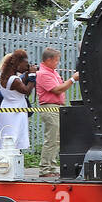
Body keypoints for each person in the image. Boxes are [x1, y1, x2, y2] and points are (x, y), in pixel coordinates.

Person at [35, 47, 77, 178]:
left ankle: (51, 167)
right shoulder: (44, 74)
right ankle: (45, 168)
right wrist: (73, 80)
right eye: (56, 60)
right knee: (51, 139)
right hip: (50, 107)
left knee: (56, 139)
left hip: (56, 107)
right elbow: (57, 89)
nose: (58, 63)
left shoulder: (52, 72)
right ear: (48, 60)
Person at [0, 48, 33, 156]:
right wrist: (32, 77)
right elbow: (26, 91)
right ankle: (6, 164)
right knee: (12, 137)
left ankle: (7, 164)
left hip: (8, 108)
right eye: (25, 64)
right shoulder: (14, 80)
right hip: (15, 111)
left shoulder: (5, 77)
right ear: (18, 63)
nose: (27, 66)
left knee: (8, 137)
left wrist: (27, 74)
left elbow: (21, 84)